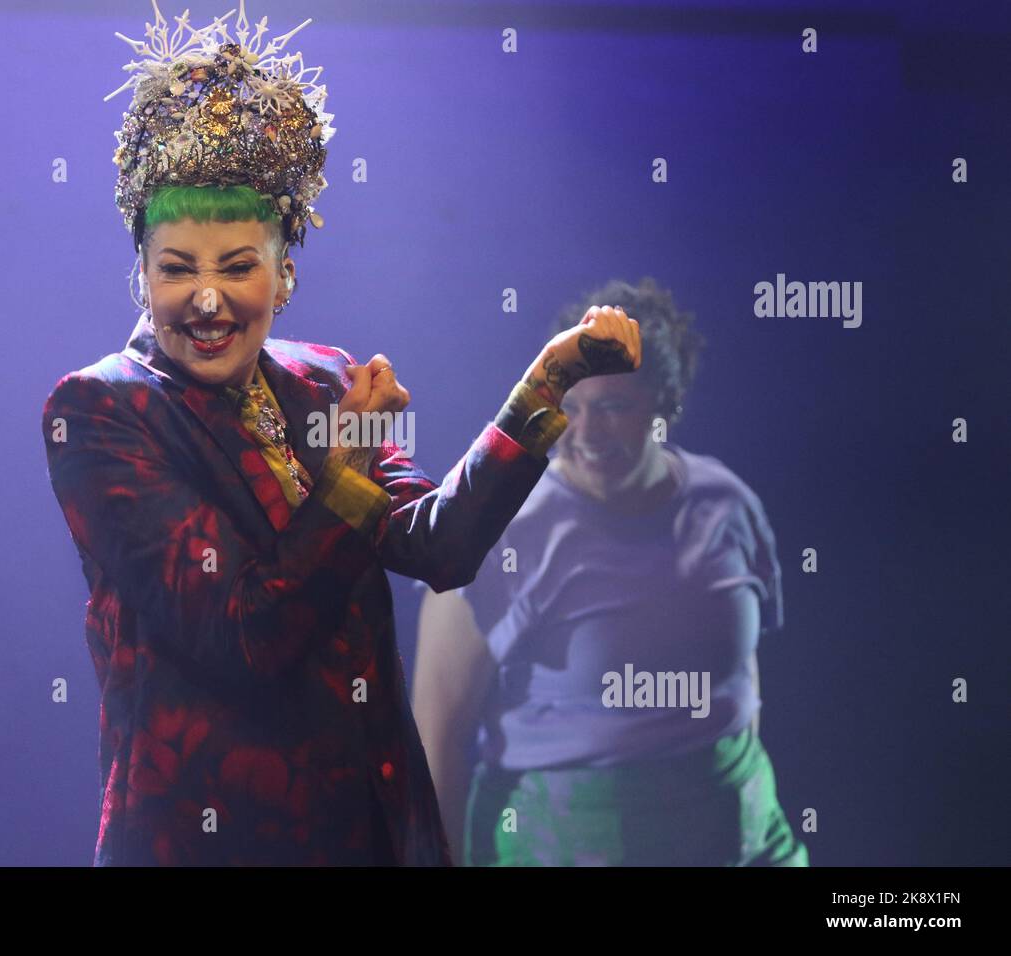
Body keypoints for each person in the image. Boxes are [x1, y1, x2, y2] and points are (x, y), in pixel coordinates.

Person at [40, 2, 642, 865]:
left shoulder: (321, 380)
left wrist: (547, 385)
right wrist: (349, 470)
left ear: (284, 274)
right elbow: (245, 638)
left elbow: (442, 548)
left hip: (366, 835)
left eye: (237, 266)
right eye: (177, 269)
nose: (207, 299)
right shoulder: (100, 412)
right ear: (141, 276)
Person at [413, 277, 809, 866]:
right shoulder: (496, 533)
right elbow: (436, 742)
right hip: (565, 844)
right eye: (570, 408)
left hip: (744, 840)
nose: (588, 432)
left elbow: (741, 680)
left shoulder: (727, 503)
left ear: (664, 406)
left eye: (615, 407)